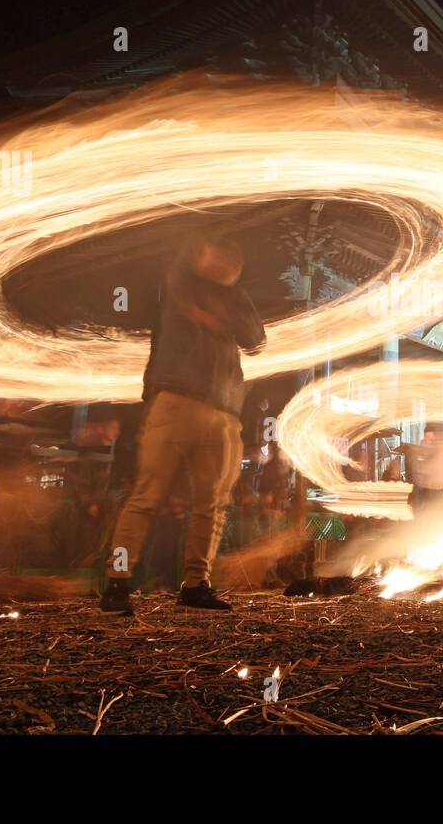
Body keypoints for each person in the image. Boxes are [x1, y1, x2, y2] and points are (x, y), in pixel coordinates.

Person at [100, 234, 266, 613]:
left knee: (212, 504)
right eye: (217, 252)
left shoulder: (237, 298)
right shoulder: (177, 282)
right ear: (196, 253)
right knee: (146, 497)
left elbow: (256, 339)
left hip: (223, 412)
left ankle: (196, 584)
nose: (227, 261)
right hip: (173, 401)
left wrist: (222, 314)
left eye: (233, 257)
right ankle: (118, 582)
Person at [402, 426, 443, 538]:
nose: (429, 438)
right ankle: (429, 530)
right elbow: (422, 458)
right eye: (427, 435)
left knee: (435, 506)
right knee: (428, 506)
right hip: (426, 484)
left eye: (430, 435)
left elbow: (442, 459)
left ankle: (436, 529)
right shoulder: (426, 446)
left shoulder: (437, 447)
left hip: (435, 483)